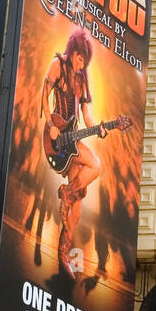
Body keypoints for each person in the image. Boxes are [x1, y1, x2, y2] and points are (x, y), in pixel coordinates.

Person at [40, 28, 107, 277]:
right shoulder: (57, 64)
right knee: (95, 166)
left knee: (77, 205)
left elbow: (86, 116)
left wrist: (99, 128)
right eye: (80, 59)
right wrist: (50, 126)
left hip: (73, 139)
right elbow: (43, 97)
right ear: (73, 52)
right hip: (57, 139)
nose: (81, 65)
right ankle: (67, 193)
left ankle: (63, 252)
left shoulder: (83, 78)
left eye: (85, 62)